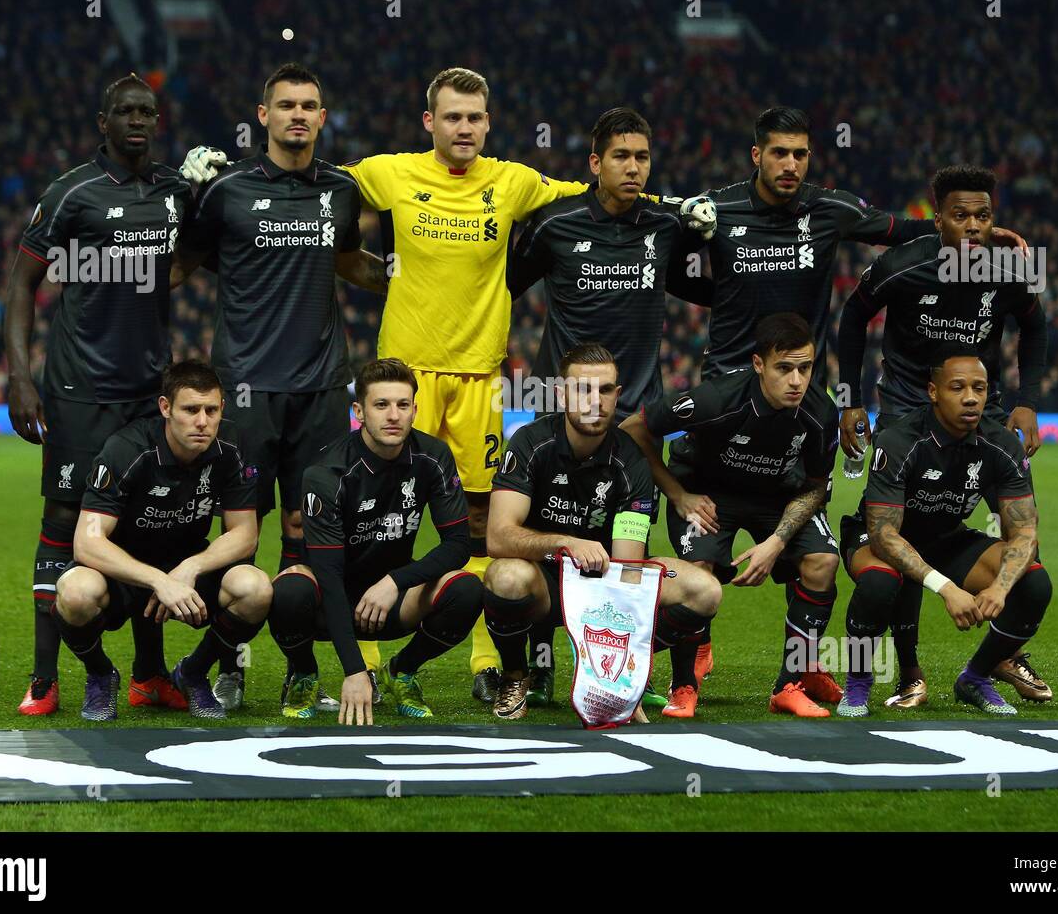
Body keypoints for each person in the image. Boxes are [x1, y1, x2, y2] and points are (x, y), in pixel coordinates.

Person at [186, 69, 712, 704]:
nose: (465, 128)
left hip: (479, 380)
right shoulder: (387, 173)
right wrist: (219, 178)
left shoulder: (514, 182)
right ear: (430, 123)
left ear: (488, 125)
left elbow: (600, 188)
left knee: (484, 518)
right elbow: (305, 175)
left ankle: (487, 663)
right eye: (453, 117)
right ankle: (369, 662)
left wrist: (674, 206)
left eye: (476, 118)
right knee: (363, 513)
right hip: (401, 378)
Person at [664, 107, 1027, 684]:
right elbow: (670, 269)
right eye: (778, 152)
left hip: (798, 391)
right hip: (729, 384)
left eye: (800, 153)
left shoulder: (828, 209)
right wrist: (719, 284)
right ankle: (696, 645)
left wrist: (977, 232)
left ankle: (799, 671)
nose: (790, 164)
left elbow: (899, 230)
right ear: (756, 155)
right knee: (709, 529)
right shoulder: (719, 208)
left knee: (811, 528)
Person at [170, 62, 389, 712]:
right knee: (239, 529)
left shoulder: (343, 192)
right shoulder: (226, 190)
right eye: (286, 104)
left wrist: (428, 276)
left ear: (324, 118)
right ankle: (228, 659)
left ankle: (299, 669)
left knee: (309, 531)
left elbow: (352, 263)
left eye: (311, 105)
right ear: (261, 116)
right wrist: (176, 199)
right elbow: (180, 266)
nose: (299, 114)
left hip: (322, 387)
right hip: (243, 387)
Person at [505, 106, 715, 706]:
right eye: (620, 156)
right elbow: (505, 287)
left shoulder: (667, 226)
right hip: (563, 415)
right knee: (553, 537)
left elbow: (706, 285)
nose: (632, 167)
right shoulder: (556, 225)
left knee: (626, 551)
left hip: (638, 424)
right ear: (595, 163)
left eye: (642, 157)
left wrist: (714, 233)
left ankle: (624, 663)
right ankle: (537, 659)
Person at [6, 73, 191, 716]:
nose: (138, 120)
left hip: (149, 392)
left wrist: (207, 188)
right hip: (78, 389)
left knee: (143, 529)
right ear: (102, 122)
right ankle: (44, 676)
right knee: (62, 521)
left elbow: (192, 258)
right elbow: (22, 283)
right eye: (125, 111)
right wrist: (20, 376)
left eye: (148, 110)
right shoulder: (71, 193)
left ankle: (149, 672)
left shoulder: (174, 191)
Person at [836, 164, 1052, 706]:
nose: (973, 226)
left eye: (983, 216)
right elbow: (853, 316)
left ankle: (998, 652)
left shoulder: (1008, 269)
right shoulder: (903, 266)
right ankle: (909, 670)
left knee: (1016, 536)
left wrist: (1027, 404)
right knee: (902, 527)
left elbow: (1036, 325)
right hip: (910, 401)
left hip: (981, 398)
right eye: (960, 216)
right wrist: (850, 399)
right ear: (938, 219)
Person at [482, 343, 721, 720]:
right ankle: (516, 673)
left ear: (617, 394)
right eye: (583, 389)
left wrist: (619, 667)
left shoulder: (632, 460)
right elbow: (497, 537)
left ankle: (617, 670)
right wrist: (566, 542)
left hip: (604, 580)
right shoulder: (530, 442)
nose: (595, 400)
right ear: (561, 393)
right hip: (543, 580)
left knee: (704, 590)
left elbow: (628, 563)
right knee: (505, 576)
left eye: (605, 390)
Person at [622, 313, 842, 717]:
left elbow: (816, 486)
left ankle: (789, 685)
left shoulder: (821, 414)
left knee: (823, 561)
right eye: (784, 368)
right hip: (707, 493)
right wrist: (678, 494)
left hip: (777, 494)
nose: (796, 380)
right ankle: (684, 685)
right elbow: (635, 427)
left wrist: (776, 543)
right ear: (759, 365)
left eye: (805, 368)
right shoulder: (715, 399)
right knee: (699, 573)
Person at [51, 361, 271, 721]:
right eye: (190, 410)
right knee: (75, 593)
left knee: (255, 589)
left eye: (211, 410)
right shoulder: (126, 448)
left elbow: (245, 533)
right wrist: (159, 580)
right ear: (166, 408)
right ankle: (101, 673)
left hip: (187, 564)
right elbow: (87, 543)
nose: (202, 421)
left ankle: (193, 671)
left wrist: (190, 568)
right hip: (123, 569)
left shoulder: (232, 447)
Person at [838, 350, 1052, 717]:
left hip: (946, 538)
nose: (970, 397)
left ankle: (976, 676)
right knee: (880, 583)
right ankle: (858, 681)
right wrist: (946, 588)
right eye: (958, 387)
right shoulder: (899, 440)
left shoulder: (1002, 444)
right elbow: (884, 535)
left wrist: (1000, 587)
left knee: (1033, 582)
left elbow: (1025, 531)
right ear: (933, 392)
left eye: (979, 388)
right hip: (877, 538)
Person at [269, 358, 483, 723]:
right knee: (289, 592)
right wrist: (354, 671)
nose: (393, 415)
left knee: (467, 591)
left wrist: (394, 582)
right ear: (359, 411)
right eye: (381, 405)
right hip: (327, 601)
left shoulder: (433, 456)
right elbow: (329, 575)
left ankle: (401, 671)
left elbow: (459, 544)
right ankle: (303, 673)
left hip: (393, 600)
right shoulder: (325, 473)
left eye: (402, 405)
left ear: (415, 410)